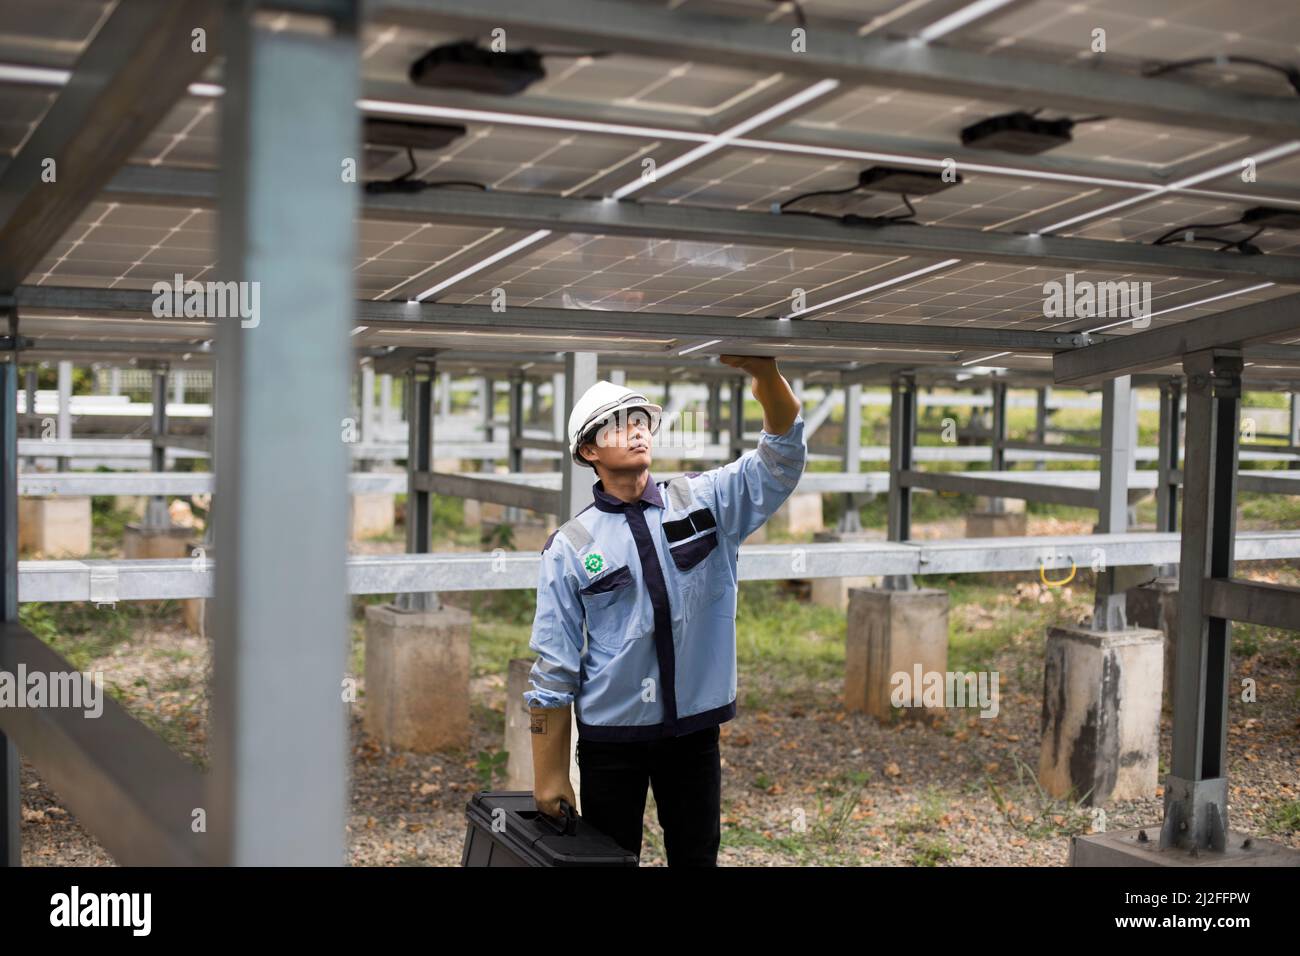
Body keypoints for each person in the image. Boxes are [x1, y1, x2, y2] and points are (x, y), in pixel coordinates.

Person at [522, 355, 805, 866]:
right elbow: (554, 666)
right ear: (588, 451)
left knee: (696, 856)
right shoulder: (570, 546)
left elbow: (780, 458)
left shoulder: (704, 500)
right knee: (609, 859)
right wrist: (550, 773)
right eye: (615, 426)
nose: (634, 432)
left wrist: (767, 377)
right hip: (612, 741)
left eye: (639, 421)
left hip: (693, 731)